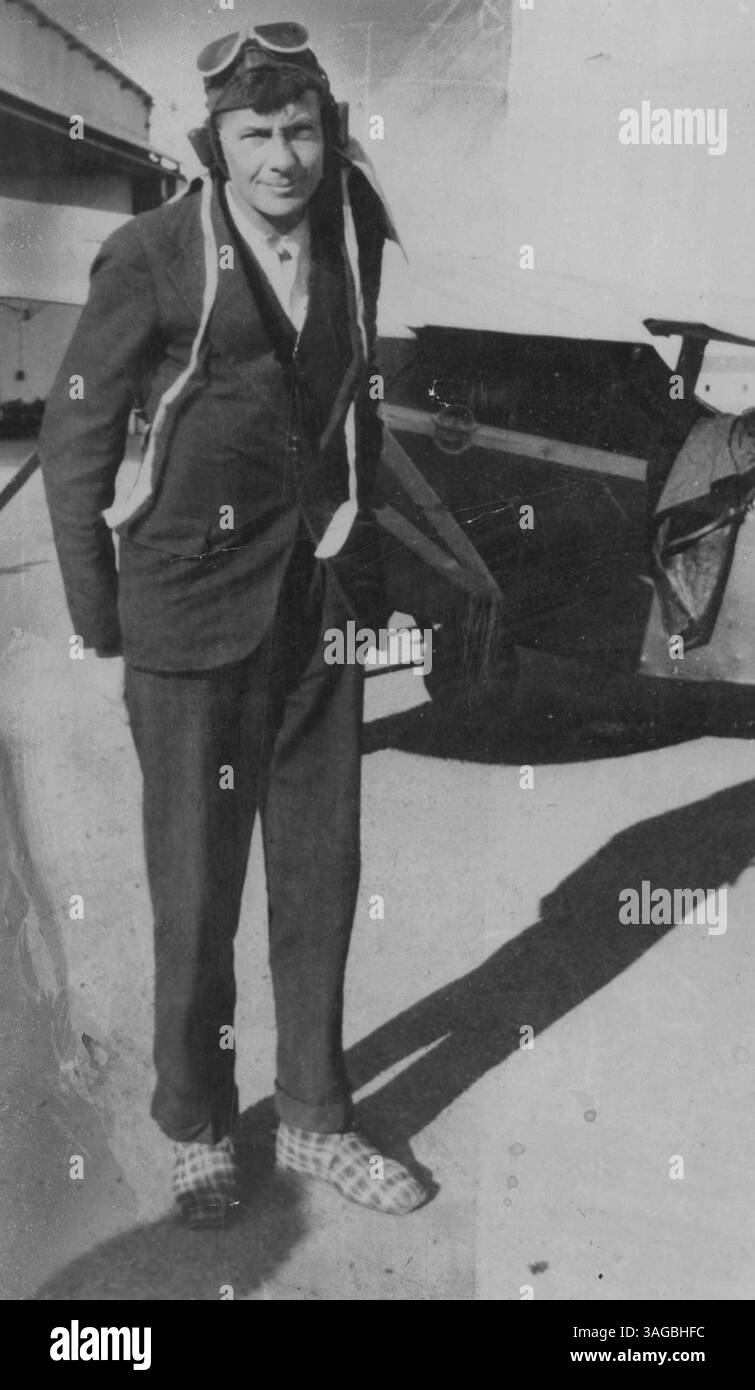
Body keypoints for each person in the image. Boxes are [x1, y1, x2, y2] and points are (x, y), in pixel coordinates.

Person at [39, 18, 427, 1226]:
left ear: (328, 132)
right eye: (255, 134)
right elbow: (75, 439)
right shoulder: (151, 253)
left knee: (320, 877)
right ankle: (197, 1122)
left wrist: (368, 573)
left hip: (316, 605)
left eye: (300, 128)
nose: (281, 158)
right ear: (218, 144)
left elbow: (355, 406)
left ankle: (315, 1117)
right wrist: (105, 615)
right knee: (197, 894)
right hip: (187, 616)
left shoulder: (353, 227)